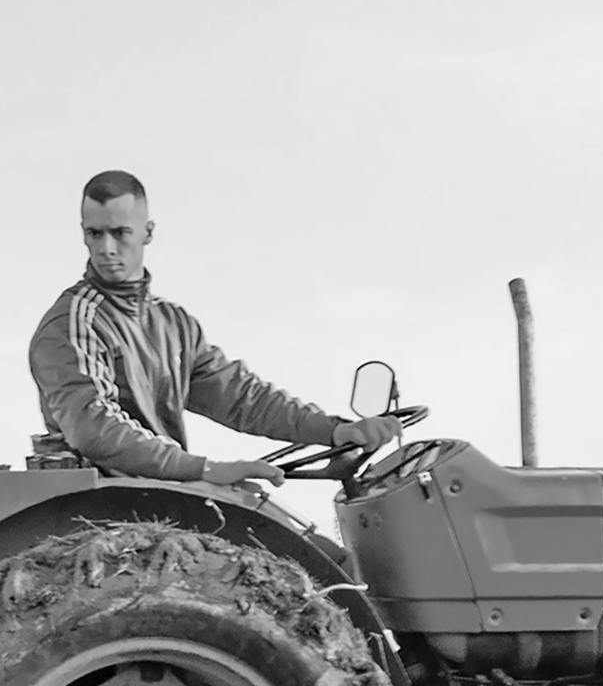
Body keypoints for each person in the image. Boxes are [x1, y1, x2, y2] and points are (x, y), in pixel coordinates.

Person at [27, 169, 400, 487]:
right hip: (105, 503)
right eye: (95, 234)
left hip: (162, 492)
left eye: (120, 233)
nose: (107, 248)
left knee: (319, 550)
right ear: (83, 233)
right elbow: (93, 427)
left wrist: (334, 431)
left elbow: (241, 398)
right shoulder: (72, 325)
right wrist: (204, 470)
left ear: (148, 232)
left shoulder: (173, 325)